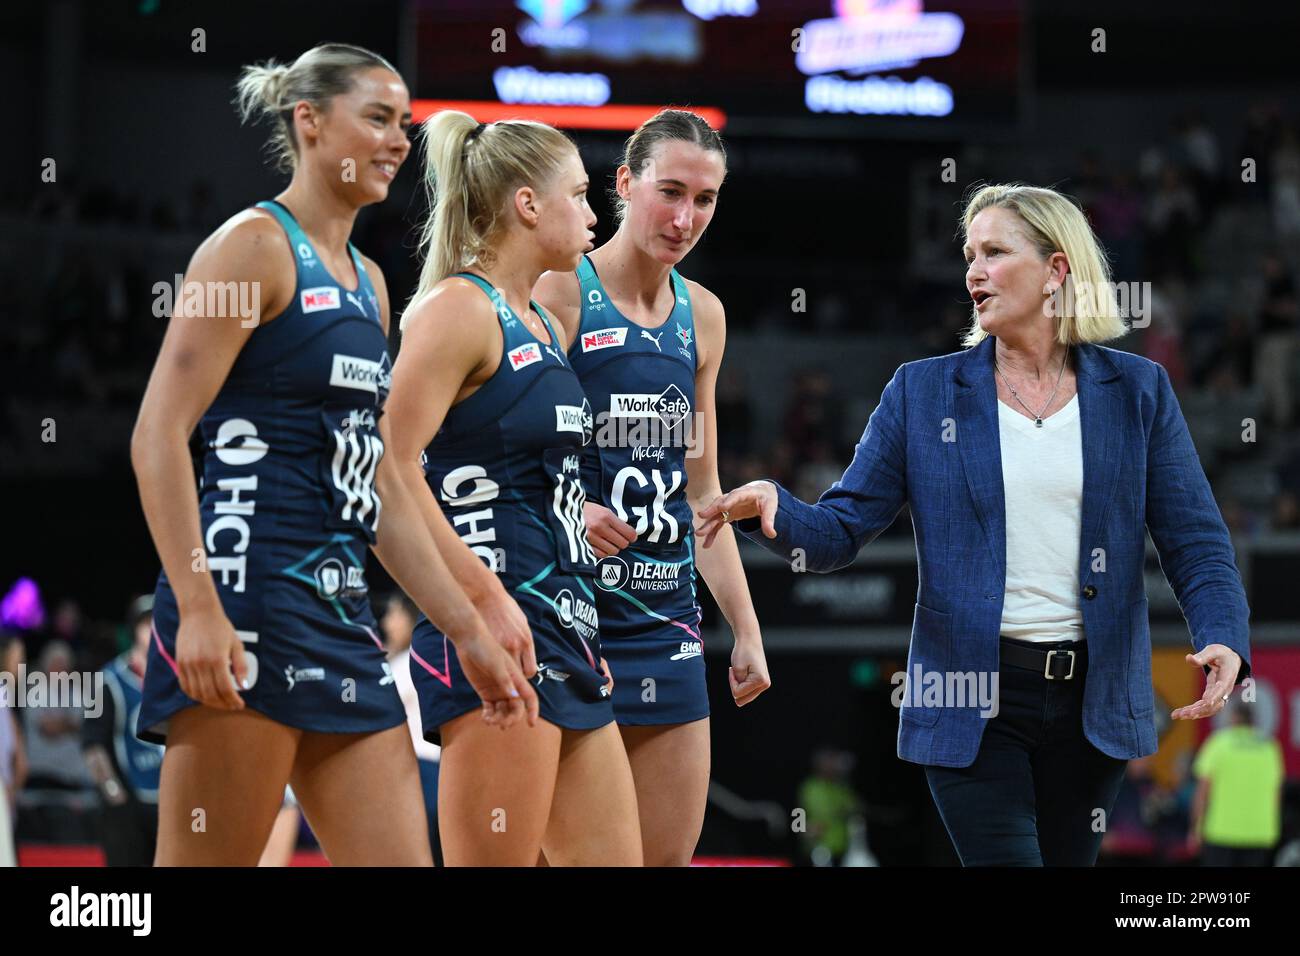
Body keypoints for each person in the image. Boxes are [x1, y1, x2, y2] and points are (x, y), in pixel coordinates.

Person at [700, 183, 1253, 866]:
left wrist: (1223, 634)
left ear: (1056, 271)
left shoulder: (1137, 390)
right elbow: (841, 529)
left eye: (994, 252)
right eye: (969, 255)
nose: (973, 271)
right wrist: (776, 510)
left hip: (1093, 707)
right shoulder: (922, 390)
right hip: (970, 701)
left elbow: (1195, 538)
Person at [130, 44, 536, 866]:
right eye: (377, 118)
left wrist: (467, 628)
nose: (397, 140)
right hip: (244, 608)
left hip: (339, 622)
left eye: (404, 123)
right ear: (308, 122)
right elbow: (158, 435)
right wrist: (198, 605)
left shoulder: (372, 283)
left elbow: (380, 479)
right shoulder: (249, 246)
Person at [389, 110, 641, 865]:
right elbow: (388, 466)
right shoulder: (458, 310)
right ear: (528, 205)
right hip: (493, 629)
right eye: (580, 195)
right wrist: (482, 606)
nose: (595, 215)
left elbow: (509, 462)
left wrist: (573, 511)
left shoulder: (540, 321)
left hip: (565, 630)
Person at [534, 109, 770, 865]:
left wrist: (745, 626)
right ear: (625, 184)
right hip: (573, 619)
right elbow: (500, 459)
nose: (684, 217)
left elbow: (704, 492)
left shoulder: (704, 315)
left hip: (667, 623)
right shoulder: (560, 292)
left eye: (704, 200)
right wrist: (572, 505)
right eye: (670, 192)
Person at [81, 595, 166, 866]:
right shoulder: (107, 681)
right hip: (130, 805)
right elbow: (92, 744)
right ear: (133, 631)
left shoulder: (179, 678)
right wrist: (115, 796)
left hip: (172, 804)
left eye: (159, 622)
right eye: (146, 624)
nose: (153, 630)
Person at [1189, 698, 1284, 866]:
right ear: (1253, 721)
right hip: (1259, 832)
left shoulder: (1219, 743)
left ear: (1232, 718)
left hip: (1221, 831)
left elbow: (1203, 791)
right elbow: (1276, 793)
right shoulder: (1270, 747)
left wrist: (1195, 828)